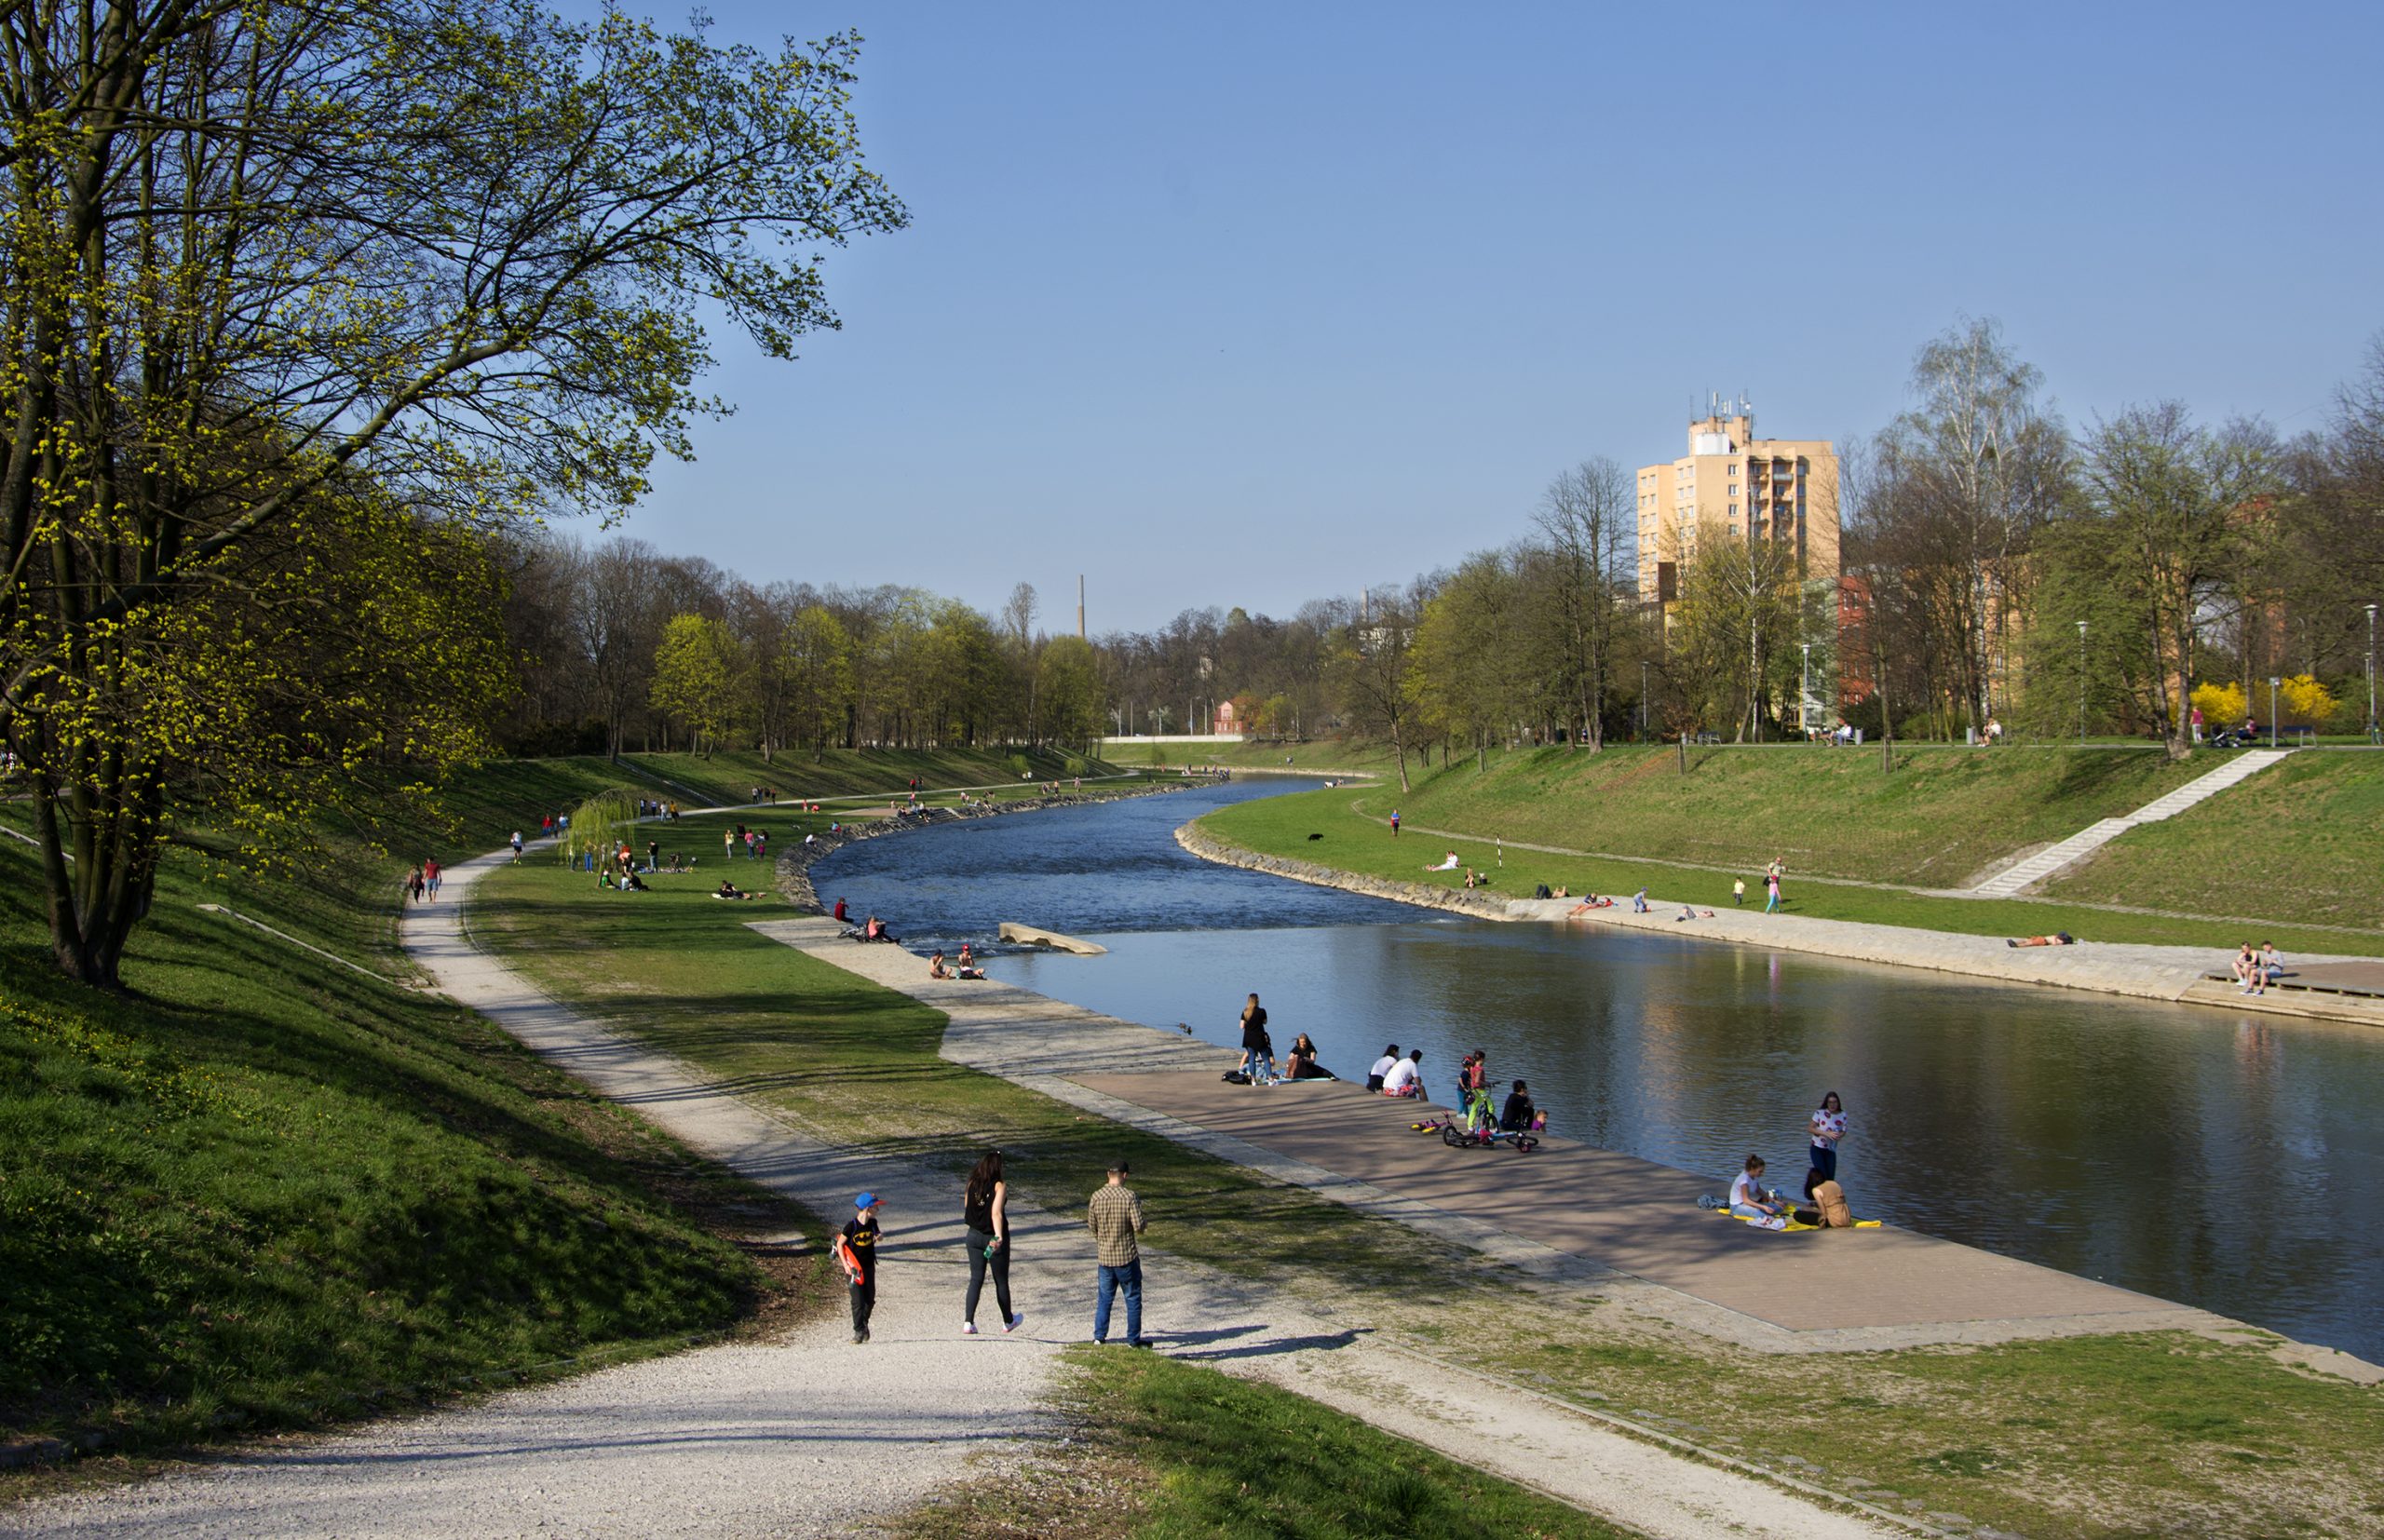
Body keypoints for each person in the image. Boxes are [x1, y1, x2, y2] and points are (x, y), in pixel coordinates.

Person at [961, 1152, 1024, 1336]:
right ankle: (1008, 1321)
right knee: (1000, 1280)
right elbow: (996, 1213)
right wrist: (998, 1236)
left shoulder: (972, 1182)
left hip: (973, 1237)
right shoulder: (999, 1185)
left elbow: (967, 1205)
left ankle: (968, 1322)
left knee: (976, 1278)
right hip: (992, 1241)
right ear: (998, 1167)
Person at [1087, 1159, 1147, 1347]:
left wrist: (1102, 1239)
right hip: (1126, 1256)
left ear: (1108, 1174)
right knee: (1132, 1297)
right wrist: (1144, 1224)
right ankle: (1133, 1339)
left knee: (1105, 1298)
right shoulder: (1129, 1197)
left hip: (1105, 1257)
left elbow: (1092, 1226)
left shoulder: (1096, 1196)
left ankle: (1099, 1336)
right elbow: (1138, 1226)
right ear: (1125, 1175)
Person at [840, 1193, 883, 1344]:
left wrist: (879, 1237)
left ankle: (863, 1324)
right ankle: (858, 1331)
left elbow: (878, 1235)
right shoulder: (851, 1226)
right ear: (867, 1208)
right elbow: (840, 1244)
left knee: (870, 1300)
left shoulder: (873, 1223)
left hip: (869, 1266)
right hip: (853, 1269)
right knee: (858, 1301)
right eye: (875, 1206)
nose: (878, 1208)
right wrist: (845, 1264)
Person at [1728, 1155, 1784, 1228]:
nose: (1762, 1174)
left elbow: (1758, 1190)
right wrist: (1763, 1207)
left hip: (1747, 1204)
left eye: (1762, 1171)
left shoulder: (1754, 1176)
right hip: (1737, 1206)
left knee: (1779, 1209)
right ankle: (1764, 1214)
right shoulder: (1744, 1180)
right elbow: (1746, 1201)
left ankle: (1764, 1211)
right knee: (1767, 1217)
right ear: (1752, 1168)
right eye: (1760, 1171)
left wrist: (1774, 1201)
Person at [1808, 1092, 1847, 1184]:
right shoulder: (1820, 1113)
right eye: (1830, 1102)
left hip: (1831, 1150)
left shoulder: (1843, 1114)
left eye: (1834, 1102)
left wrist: (1839, 1136)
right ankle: (1818, 1196)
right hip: (1817, 1149)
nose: (1832, 1105)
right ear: (1826, 1103)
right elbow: (1810, 1128)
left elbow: (1844, 1131)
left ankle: (1827, 1197)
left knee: (1830, 1179)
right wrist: (1826, 1134)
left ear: (1838, 1103)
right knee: (1822, 1176)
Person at [1237, 993, 1275, 1081]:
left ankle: (1253, 1079)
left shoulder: (1245, 1011)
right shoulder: (1262, 1011)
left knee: (1251, 1058)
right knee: (1266, 1058)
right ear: (1257, 1000)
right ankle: (1270, 1078)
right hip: (1259, 1038)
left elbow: (1241, 1026)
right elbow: (1265, 1022)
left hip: (1248, 1038)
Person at [2006, 932, 2075, 947]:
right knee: (2027, 940)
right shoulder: (2058, 937)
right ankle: (2015, 943)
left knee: (2030, 943)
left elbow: (2054, 944)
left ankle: (2017, 945)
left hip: (2044, 941)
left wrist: (2055, 939)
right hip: (2042, 937)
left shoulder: (2060, 941)